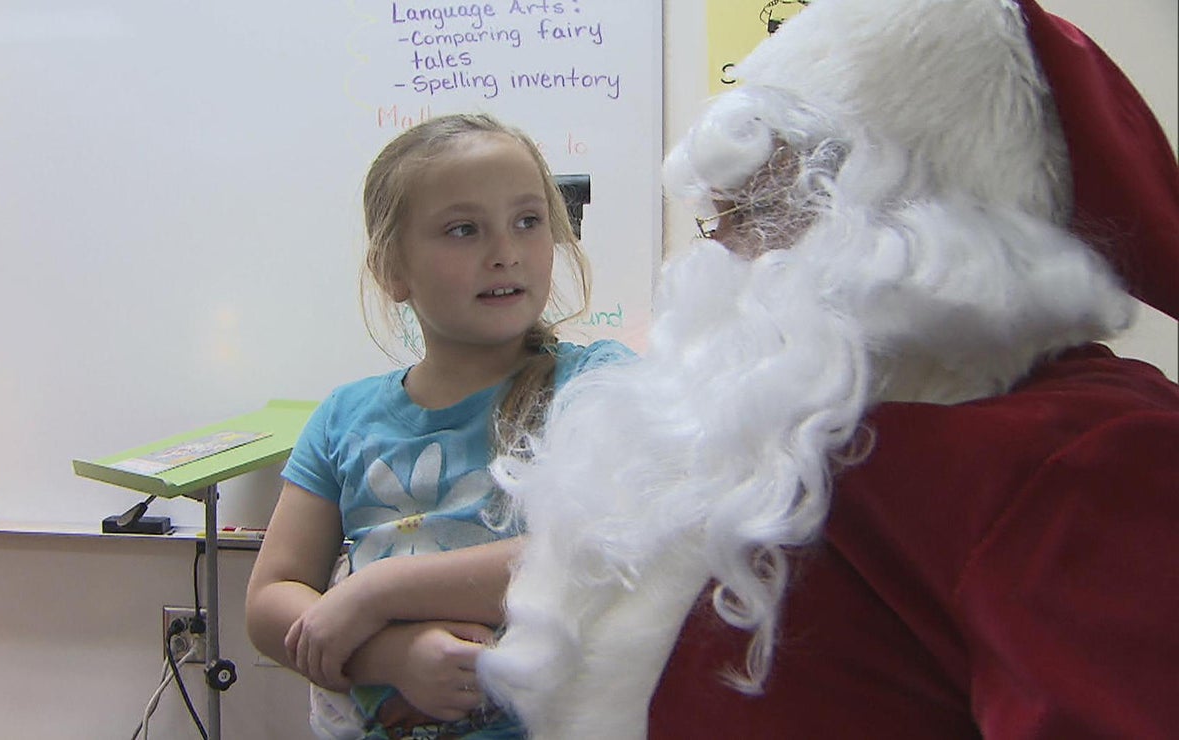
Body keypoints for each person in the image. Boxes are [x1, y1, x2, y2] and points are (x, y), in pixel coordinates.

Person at [476, 0, 1179, 737]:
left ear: (904, 216)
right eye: (715, 223)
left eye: (755, 211)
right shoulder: (790, 417)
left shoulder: (1088, 452)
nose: (722, 258)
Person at [245, 112, 634, 740]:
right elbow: (271, 601)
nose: (506, 252)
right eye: (463, 229)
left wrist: (382, 592)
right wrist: (389, 657)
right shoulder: (344, 417)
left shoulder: (597, 384)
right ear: (393, 271)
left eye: (528, 221)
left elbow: (602, 550)